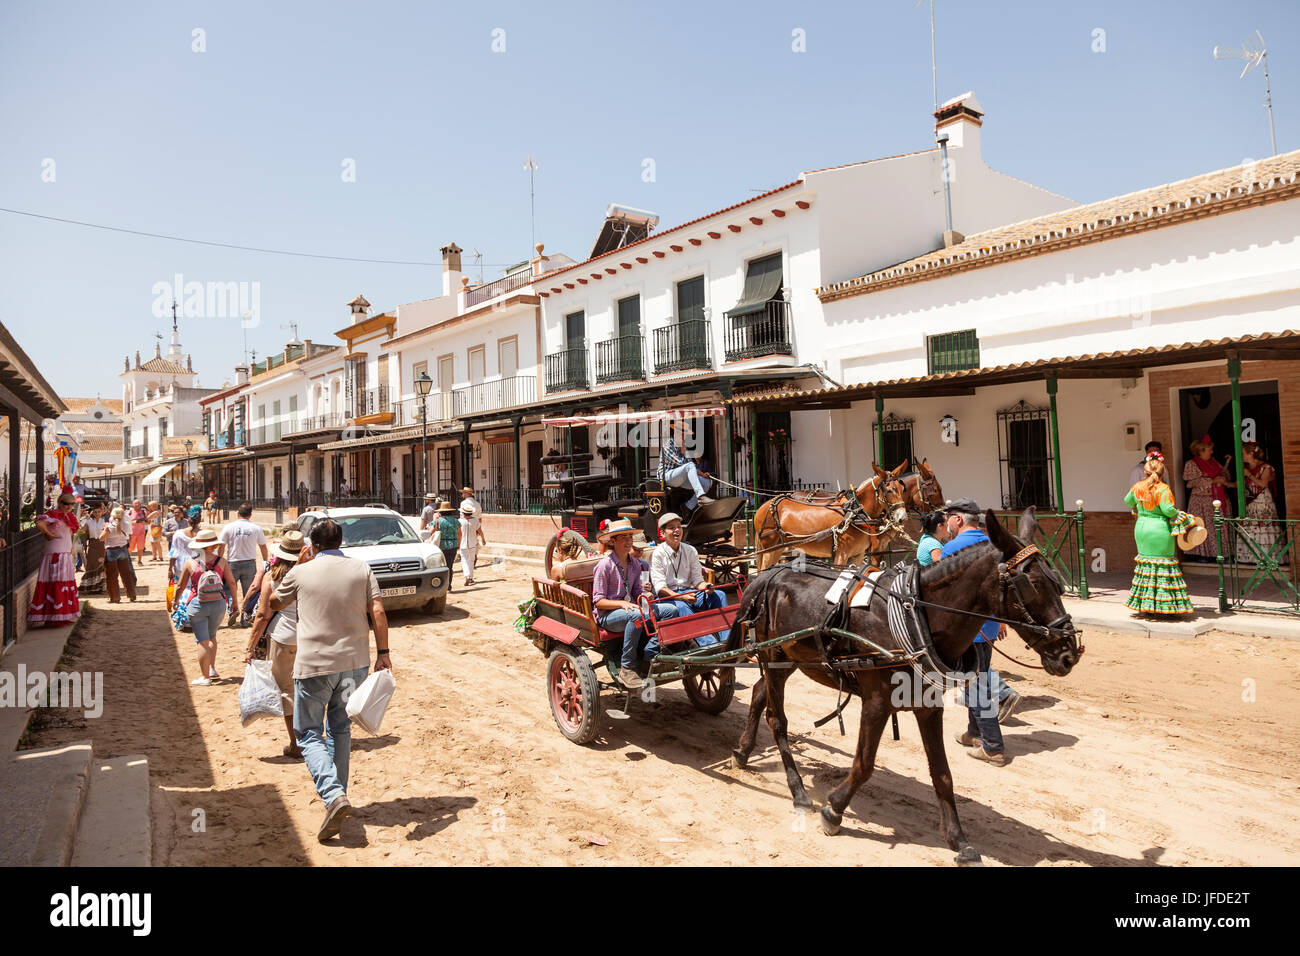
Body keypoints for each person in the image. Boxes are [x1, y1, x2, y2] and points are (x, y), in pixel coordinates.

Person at [266, 518, 393, 843]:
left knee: (308, 733)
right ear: (340, 542)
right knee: (340, 729)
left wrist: (302, 566)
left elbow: (273, 603)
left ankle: (333, 795)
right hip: (354, 665)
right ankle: (338, 796)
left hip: (314, 667)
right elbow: (377, 610)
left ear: (313, 544)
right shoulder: (361, 568)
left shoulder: (300, 571)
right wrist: (383, 652)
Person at [941, 498, 1009, 766]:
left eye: (948, 517)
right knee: (976, 679)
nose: (946, 523)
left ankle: (993, 747)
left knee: (977, 686)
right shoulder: (994, 546)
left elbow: (947, 595)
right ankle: (974, 733)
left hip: (968, 629)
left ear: (958, 519)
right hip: (990, 625)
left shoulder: (952, 548)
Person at [592, 518, 681, 689]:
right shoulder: (605, 565)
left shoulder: (635, 564)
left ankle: (650, 652)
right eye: (623, 537)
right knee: (637, 615)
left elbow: (635, 594)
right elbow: (599, 601)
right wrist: (621, 604)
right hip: (608, 616)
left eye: (630, 537)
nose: (628, 541)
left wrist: (645, 593)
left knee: (670, 610)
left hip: (632, 609)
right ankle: (627, 666)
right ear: (613, 541)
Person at [246, 529, 311, 759]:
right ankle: (314, 736)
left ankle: (296, 743)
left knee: (287, 691)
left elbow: (263, 615)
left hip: (284, 638)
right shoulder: (311, 574)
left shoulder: (272, 578)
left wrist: (251, 646)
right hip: (310, 637)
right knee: (311, 689)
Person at [1125, 453, 1196, 616]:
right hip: (1159, 529)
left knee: (1146, 565)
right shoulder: (1163, 489)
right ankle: (1164, 607)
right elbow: (1167, 510)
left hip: (1142, 528)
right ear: (1163, 473)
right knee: (1162, 565)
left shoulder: (1138, 486)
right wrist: (1183, 516)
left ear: (1146, 472)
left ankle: (1146, 604)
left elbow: (1128, 501)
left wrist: (1139, 506)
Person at [649, 512, 727, 648]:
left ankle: (728, 640)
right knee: (682, 607)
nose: (677, 530)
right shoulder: (657, 554)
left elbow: (698, 580)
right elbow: (660, 589)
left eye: (679, 526)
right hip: (669, 597)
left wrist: (706, 586)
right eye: (672, 528)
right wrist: (682, 597)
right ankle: (710, 645)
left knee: (719, 595)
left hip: (688, 592)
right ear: (662, 533)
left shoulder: (690, 550)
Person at [175, 529, 237, 685]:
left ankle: (205, 677)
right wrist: (234, 601)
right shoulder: (221, 562)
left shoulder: (190, 563)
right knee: (212, 636)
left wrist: (175, 601)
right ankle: (212, 668)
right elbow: (231, 583)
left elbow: (180, 586)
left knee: (202, 641)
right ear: (213, 546)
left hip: (198, 603)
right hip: (218, 603)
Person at [27, 492, 81, 626]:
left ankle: (61, 616)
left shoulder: (68, 516)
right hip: (56, 554)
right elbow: (39, 523)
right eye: (66, 504)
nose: (69, 507)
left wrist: (49, 534)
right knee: (56, 584)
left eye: (72, 504)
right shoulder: (53, 515)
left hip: (65, 554)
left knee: (63, 584)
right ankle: (54, 617)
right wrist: (49, 533)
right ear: (60, 503)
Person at [1183, 436, 1234, 560]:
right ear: (1201, 451)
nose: (1211, 452)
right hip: (1202, 502)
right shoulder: (1192, 464)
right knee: (1204, 527)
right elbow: (1190, 483)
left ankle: (1223, 555)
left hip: (1218, 499)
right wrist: (1212, 481)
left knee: (1220, 526)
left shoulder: (1213, 461)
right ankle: (1204, 555)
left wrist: (1226, 466)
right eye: (1209, 449)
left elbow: (1224, 475)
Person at [219, 502, 269, 628]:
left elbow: (221, 546)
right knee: (249, 591)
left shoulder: (229, 527)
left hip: (232, 562)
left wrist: (219, 561)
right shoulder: (256, 528)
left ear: (237, 513)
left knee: (229, 588)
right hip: (249, 562)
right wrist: (265, 562)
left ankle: (232, 609)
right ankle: (245, 618)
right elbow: (263, 546)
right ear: (250, 515)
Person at [1237, 442, 1280, 564]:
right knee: (1251, 526)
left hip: (1262, 501)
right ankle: (1250, 557)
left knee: (1264, 527)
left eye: (1243, 453)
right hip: (1250, 501)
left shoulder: (1265, 467)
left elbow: (1263, 484)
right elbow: (1241, 484)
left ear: (1251, 454)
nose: (1241, 456)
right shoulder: (1245, 468)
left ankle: (1266, 557)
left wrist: (1249, 475)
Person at [657, 420, 713, 512]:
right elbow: (683, 463)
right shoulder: (667, 445)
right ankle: (701, 496)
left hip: (680, 477)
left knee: (707, 483)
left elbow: (690, 466)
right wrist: (683, 450)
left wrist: (702, 474)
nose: (685, 437)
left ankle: (688, 507)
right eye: (684, 434)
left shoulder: (684, 446)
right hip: (667, 476)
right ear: (677, 433)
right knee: (689, 465)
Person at [100, 505, 138, 603]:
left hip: (111, 550)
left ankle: (115, 597)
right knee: (126, 574)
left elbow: (101, 538)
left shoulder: (109, 526)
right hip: (123, 549)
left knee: (112, 575)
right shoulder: (125, 524)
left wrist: (104, 528)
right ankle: (131, 594)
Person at [78, 501, 108, 595]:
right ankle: (90, 587)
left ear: (101, 512)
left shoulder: (104, 522)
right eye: (95, 512)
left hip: (102, 545)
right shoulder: (89, 521)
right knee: (91, 564)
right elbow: (82, 530)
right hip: (92, 545)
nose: (97, 513)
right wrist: (81, 520)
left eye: (99, 512)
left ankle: (101, 587)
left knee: (101, 565)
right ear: (93, 513)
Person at [458, 501, 486, 585]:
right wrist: (483, 539)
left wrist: (458, 543)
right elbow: (480, 531)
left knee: (464, 560)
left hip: (463, 543)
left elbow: (459, 534)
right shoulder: (475, 520)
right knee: (471, 560)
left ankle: (467, 575)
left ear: (463, 513)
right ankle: (470, 577)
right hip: (472, 543)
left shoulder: (459, 521)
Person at [434, 501, 460, 587]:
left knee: (440, 567)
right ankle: (449, 585)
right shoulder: (455, 521)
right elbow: (459, 533)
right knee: (449, 566)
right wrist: (458, 543)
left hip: (441, 546)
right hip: (453, 545)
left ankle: (441, 584)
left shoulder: (438, 521)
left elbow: (430, 532)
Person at [127, 498, 148, 567]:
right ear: (132, 504)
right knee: (130, 548)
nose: (137, 505)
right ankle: (128, 561)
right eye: (135, 503)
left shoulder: (143, 512)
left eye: (138, 503)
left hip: (141, 533)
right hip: (131, 533)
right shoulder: (129, 512)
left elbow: (147, 522)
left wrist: (144, 523)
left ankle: (139, 561)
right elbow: (127, 522)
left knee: (140, 547)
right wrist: (134, 522)